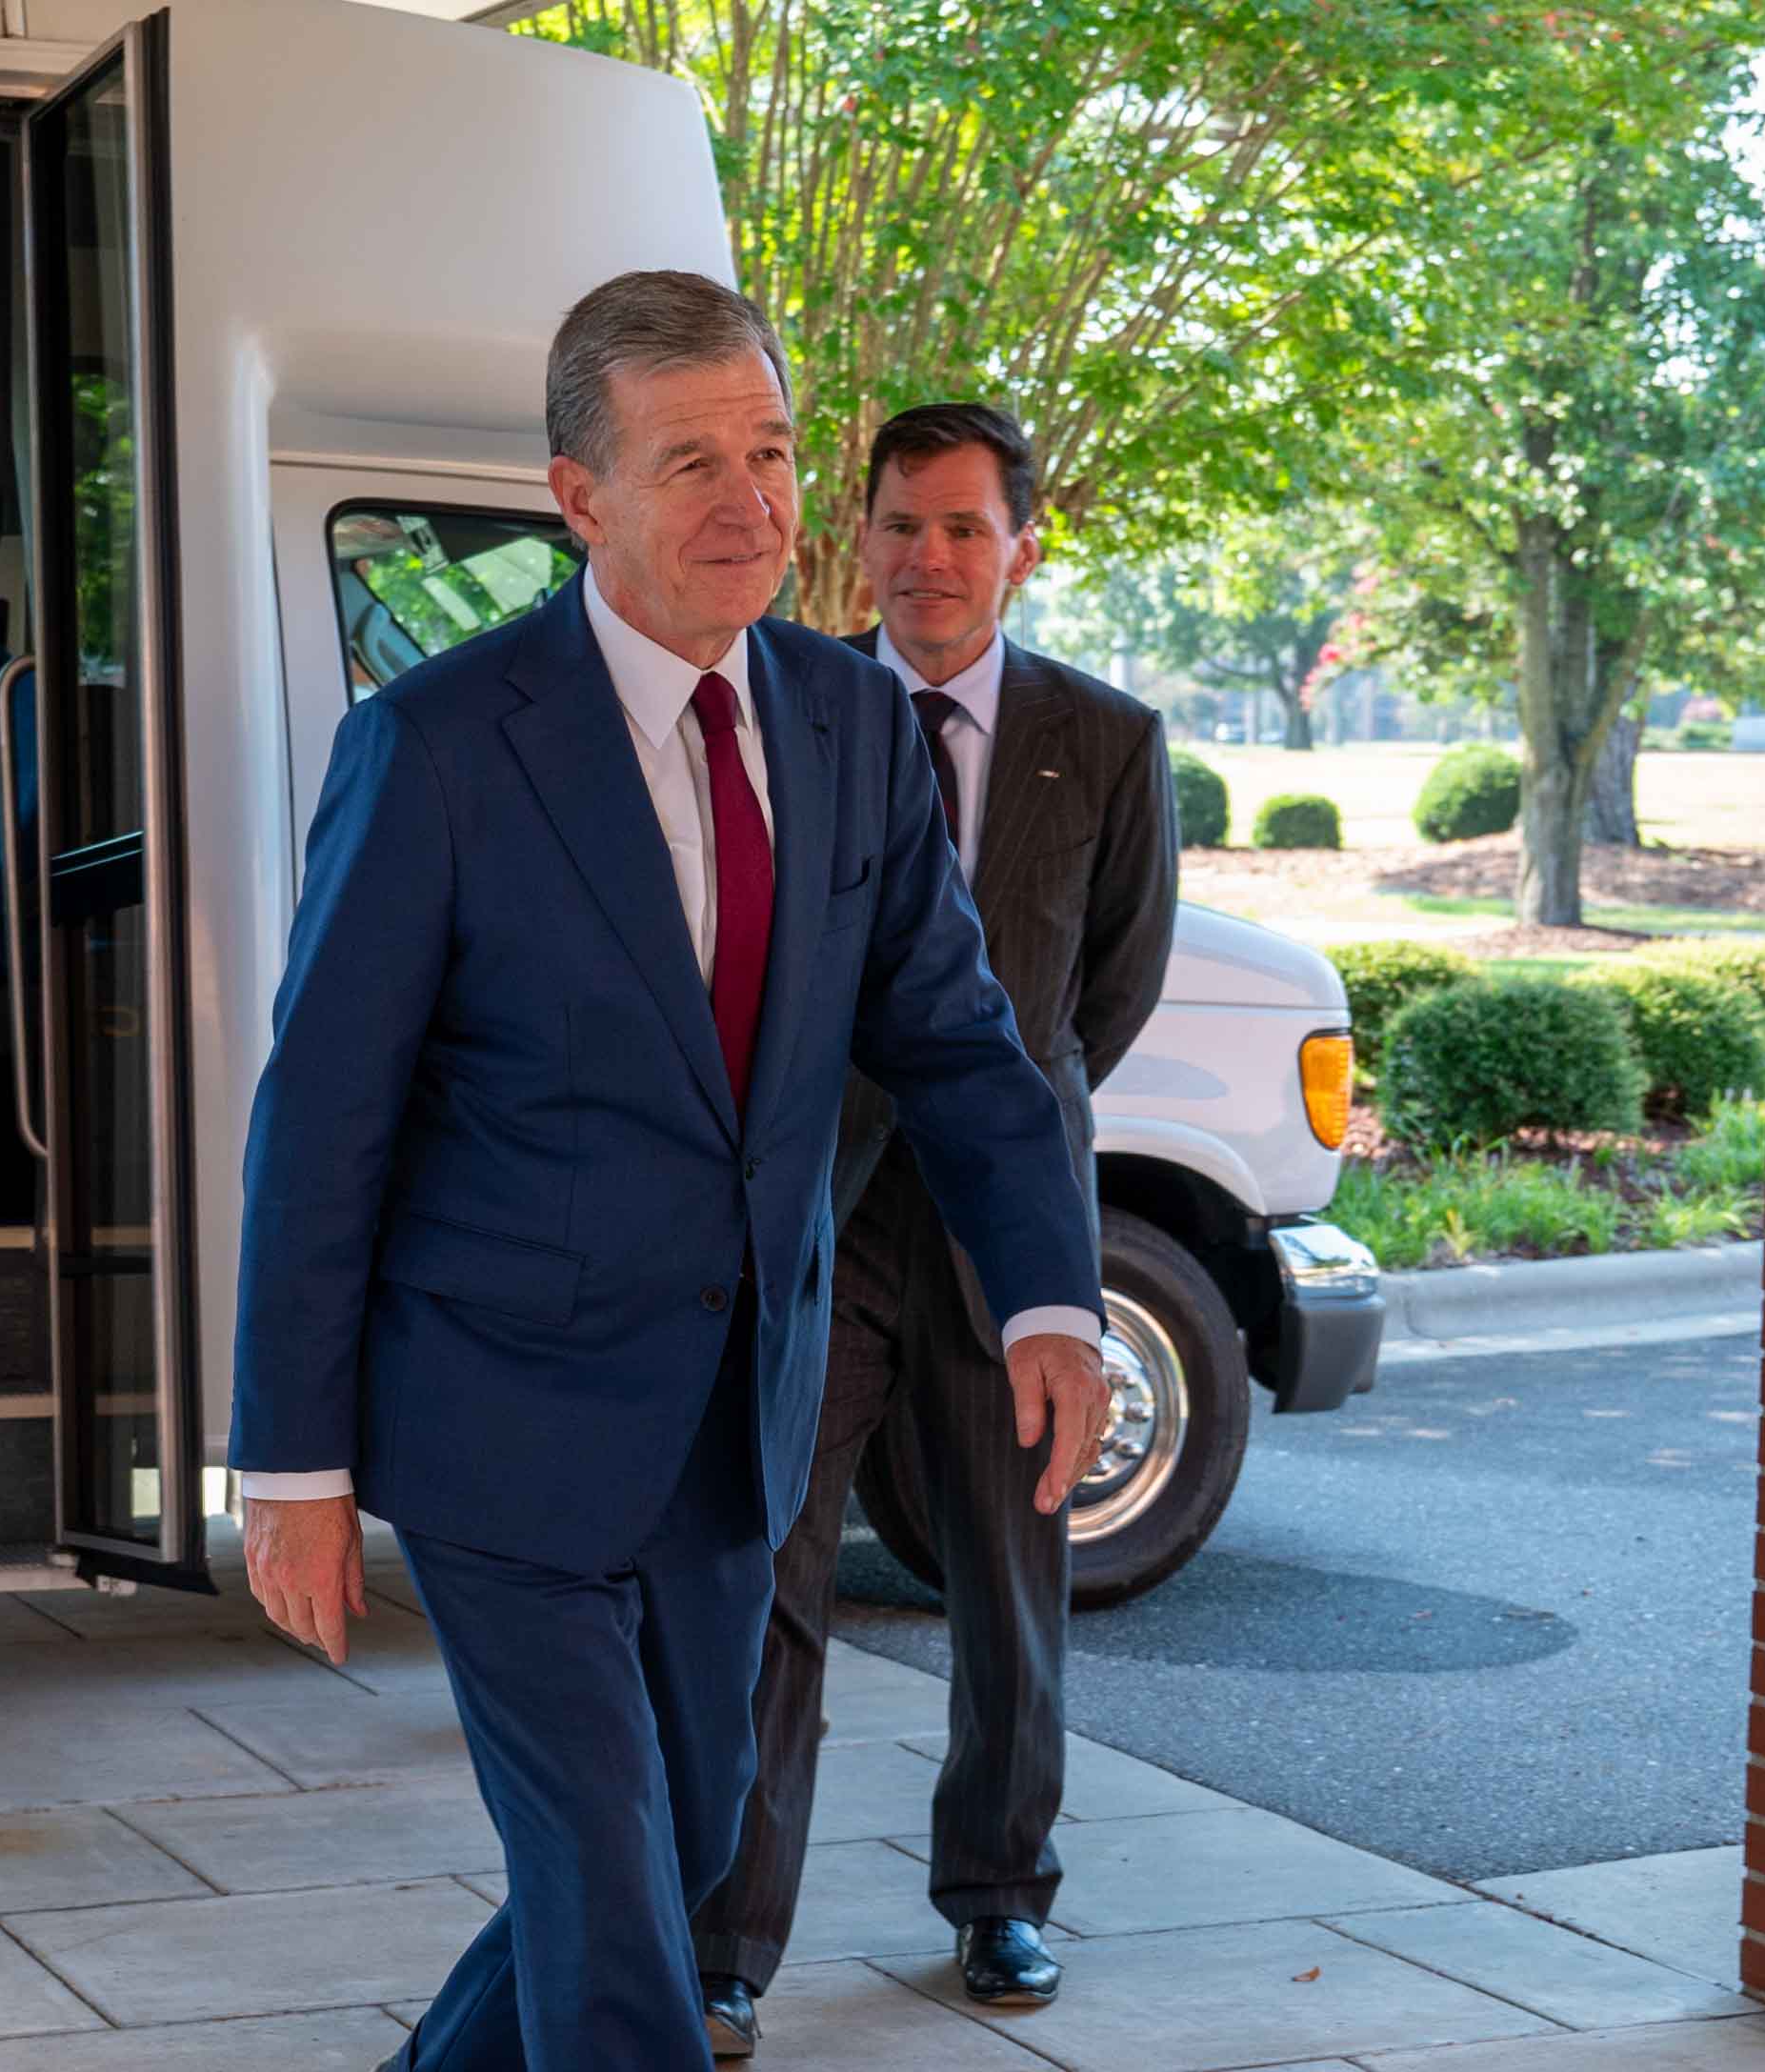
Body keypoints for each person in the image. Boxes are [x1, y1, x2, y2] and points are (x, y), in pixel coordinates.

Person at [227, 271, 1116, 2072]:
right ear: (580, 497)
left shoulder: (851, 725)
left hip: (732, 1425)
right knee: (612, 1895)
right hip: (497, 1424)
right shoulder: (439, 747)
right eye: (690, 461)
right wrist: (292, 1468)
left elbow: (963, 1044)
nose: (750, 502)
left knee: (681, 1844)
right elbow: (319, 1123)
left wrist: (1048, 1290)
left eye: (771, 452)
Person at [689, 401, 1176, 2051]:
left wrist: (1006, 1161)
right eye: (902, 525)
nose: (930, 559)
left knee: (1011, 1583)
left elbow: (1100, 1000)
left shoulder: (1107, 742)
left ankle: (1000, 1896)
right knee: (771, 1573)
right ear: (863, 538)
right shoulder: (785, 704)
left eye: (966, 528)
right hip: (810, 1222)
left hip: (998, 1242)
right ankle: (727, 1938)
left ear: (1022, 549)